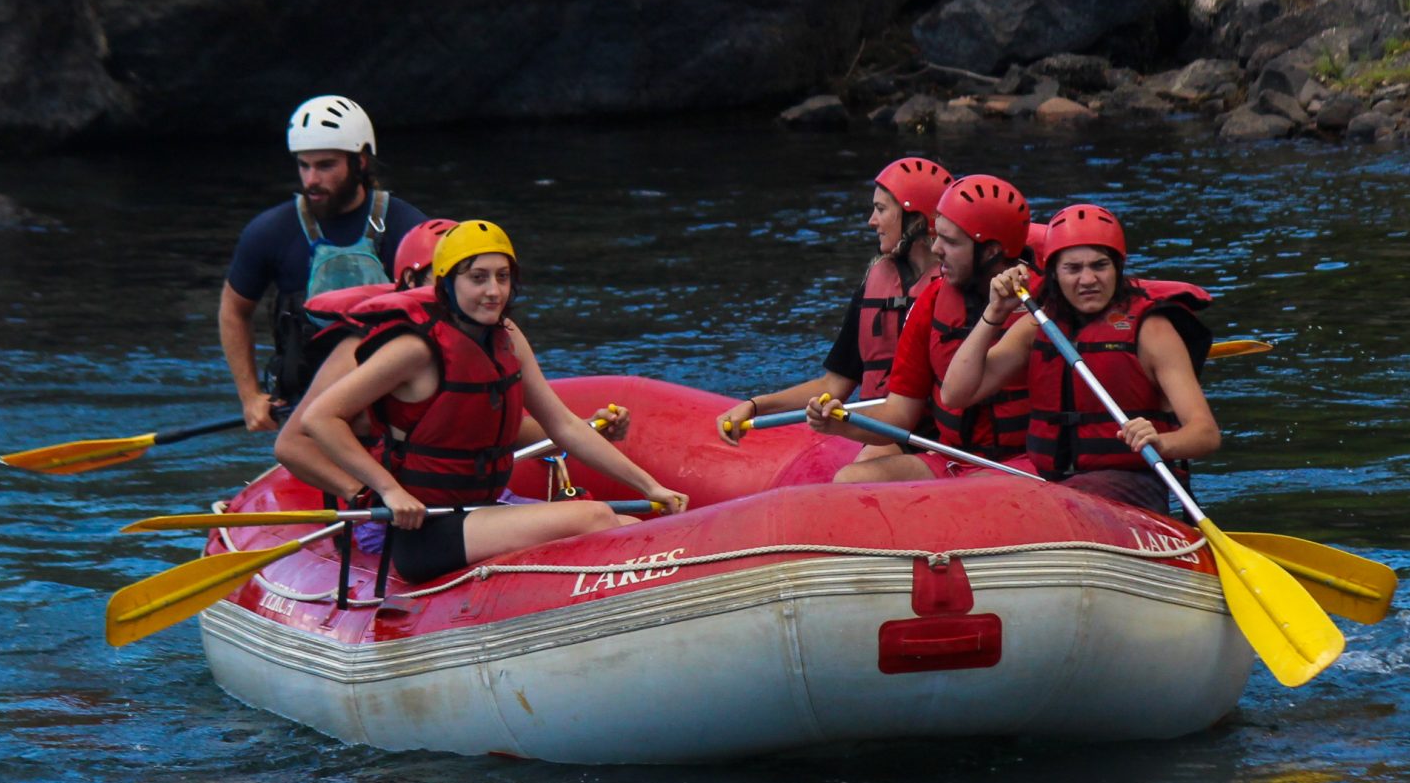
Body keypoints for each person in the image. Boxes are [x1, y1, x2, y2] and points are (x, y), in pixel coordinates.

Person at [290, 220, 688, 584]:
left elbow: (563, 425)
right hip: (426, 531)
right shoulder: (415, 349)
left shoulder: (507, 335)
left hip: (482, 509)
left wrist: (650, 486)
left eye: (502, 277)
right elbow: (319, 418)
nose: (494, 291)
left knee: (629, 524)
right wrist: (387, 490)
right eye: (477, 278)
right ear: (447, 284)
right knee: (595, 515)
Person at [938, 202, 1220, 513]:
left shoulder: (1152, 330)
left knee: (1054, 503)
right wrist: (994, 314)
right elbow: (955, 394)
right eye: (1073, 269)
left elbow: (1205, 433)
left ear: (1117, 268)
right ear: (1054, 274)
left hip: (1132, 488)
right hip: (1054, 485)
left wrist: (1161, 443)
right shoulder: (1037, 326)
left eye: (1100, 265)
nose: (1088, 279)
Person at [219, 96, 432, 431]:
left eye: (325, 165)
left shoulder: (408, 227)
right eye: (304, 166)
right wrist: (250, 397)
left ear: (360, 162)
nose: (311, 180)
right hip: (305, 405)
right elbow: (233, 310)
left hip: (393, 404)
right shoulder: (270, 232)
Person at [806, 174, 1035, 483]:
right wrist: (843, 423)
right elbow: (900, 412)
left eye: (951, 241)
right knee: (851, 480)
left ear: (991, 250)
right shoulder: (933, 299)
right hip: (953, 457)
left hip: (1023, 464)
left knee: (982, 486)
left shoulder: (1043, 303)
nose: (936, 249)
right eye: (937, 236)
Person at [716, 157, 953, 442]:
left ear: (916, 220)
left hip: (934, 440)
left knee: (864, 464)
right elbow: (834, 384)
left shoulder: (955, 290)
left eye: (881, 209)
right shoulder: (876, 286)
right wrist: (755, 406)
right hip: (886, 433)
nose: (872, 221)